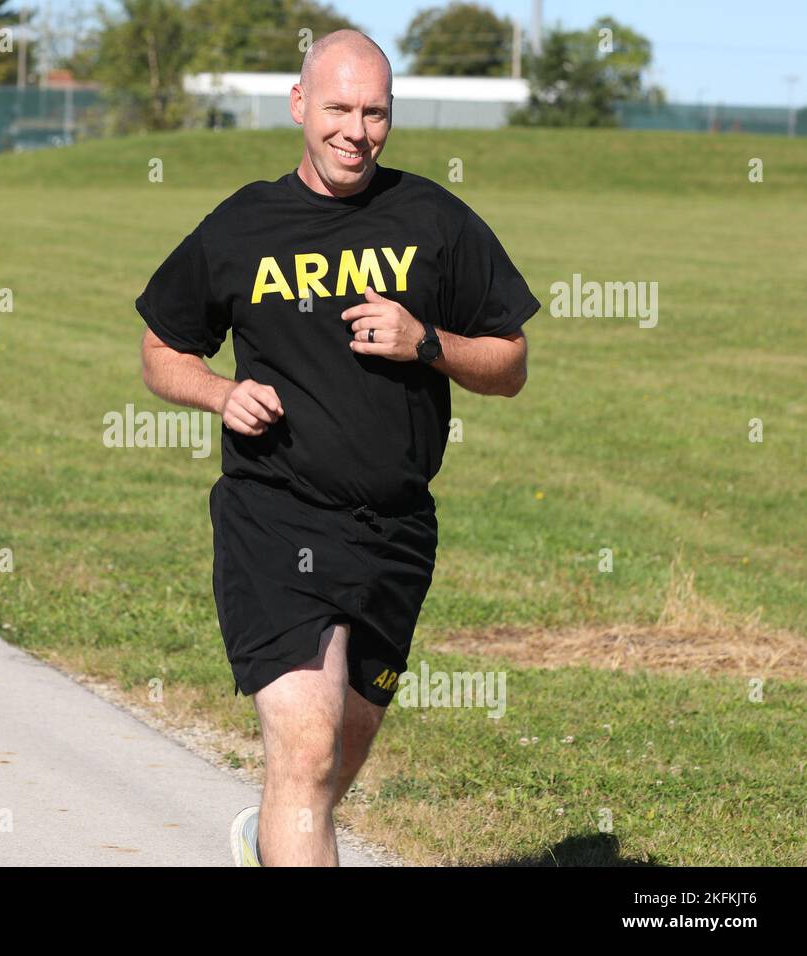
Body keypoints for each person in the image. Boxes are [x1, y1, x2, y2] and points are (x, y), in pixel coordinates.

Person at [135, 30, 539, 866]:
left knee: (334, 759)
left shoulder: (433, 218)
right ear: (298, 106)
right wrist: (220, 392)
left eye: (374, 112)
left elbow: (509, 365)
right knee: (309, 747)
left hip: (394, 530)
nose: (356, 130)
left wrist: (426, 341)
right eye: (339, 109)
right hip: (275, 514)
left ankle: (268, 840)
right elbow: (160, 348)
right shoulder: (244, 224)